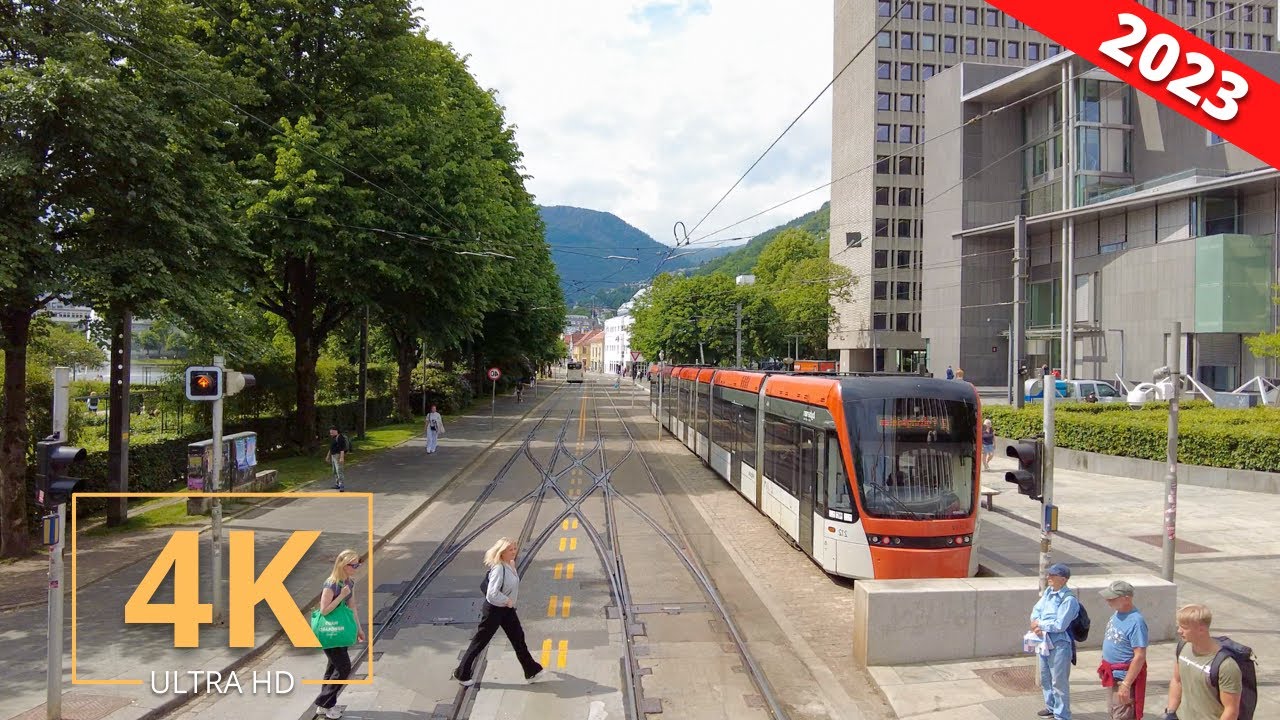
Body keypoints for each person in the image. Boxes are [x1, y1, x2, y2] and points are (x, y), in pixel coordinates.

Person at [451, 537, 544, 686]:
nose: (514, 552)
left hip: (506, 610)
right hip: (494, 610)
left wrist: (508, 603)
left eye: (515, 548)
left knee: (518, 639)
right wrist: (507, 601)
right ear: (501, 553)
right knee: (480, 641)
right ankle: (461, 673)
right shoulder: (499, 569)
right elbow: (491, 594)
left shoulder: (510, 564)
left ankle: (531, 671)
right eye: (510, 549)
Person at [1164, 604, 1243, 720]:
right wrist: (1170, 712)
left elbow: (1231, 710)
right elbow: (1177, 680)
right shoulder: (1182, 647)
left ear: (1201, 629)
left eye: (1184, 627)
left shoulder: (1226, 666)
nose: (1179, 631)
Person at [313, 549, 365, 719]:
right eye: (354, 564)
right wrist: (340, 595)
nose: (356, 567)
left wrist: (359, 628)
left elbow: (352, 607)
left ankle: (326, 707)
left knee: (333, 668)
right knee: (343, 668)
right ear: (343, 565)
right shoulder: (331, 584)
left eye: (358, 564)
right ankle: (323, 702)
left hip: (341, 630)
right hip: (330, 631)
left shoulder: (350, 582)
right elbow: (324, 610)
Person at [1031, 563, 1080, 720]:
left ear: (1064, 579)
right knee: (1045, 677)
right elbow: (1036, 610)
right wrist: (1035, 622)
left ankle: (1062, 715)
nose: (1048, 577)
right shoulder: (1048, 592)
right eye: (1048, 574)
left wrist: (1040, 625)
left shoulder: (1069, 600)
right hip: (1044, 641)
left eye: (1053, 575)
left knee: (1059, 682)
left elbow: (1060, 624)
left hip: (1060, 645)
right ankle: (1050, 707)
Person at [1099, 580, 1148, 720]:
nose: (1108, 601)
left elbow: (1139, 656)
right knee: (1114, 713)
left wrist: (1126, 684)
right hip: (1112, 675)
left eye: (1112, 598)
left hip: (1123, 678)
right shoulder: (1116, 614)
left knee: (1122, 715)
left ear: (1126, 598)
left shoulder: (1136, 622)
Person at [325, 426, 348, 491]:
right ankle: (337, 484)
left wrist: (341, 457)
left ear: (336, 431)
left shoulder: (340, 437)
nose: (330, 434)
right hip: (333, 456)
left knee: (339, 471)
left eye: (332, 432)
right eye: (330, 433)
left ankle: (341, 486)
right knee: (334, 471)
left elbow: (342, 449)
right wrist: (328, 456)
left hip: (338, 456)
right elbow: (331, 448)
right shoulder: (334, 437)